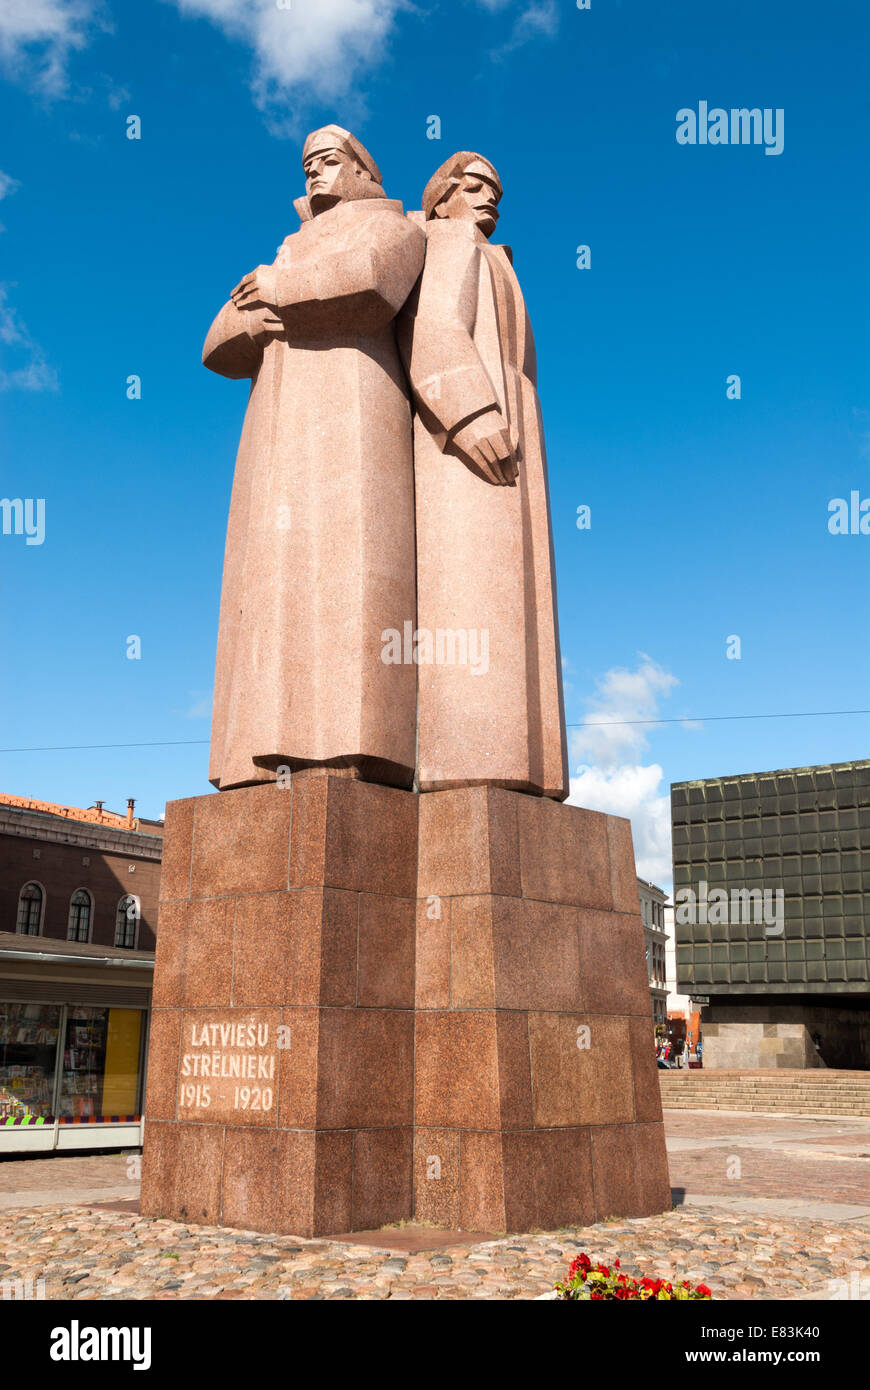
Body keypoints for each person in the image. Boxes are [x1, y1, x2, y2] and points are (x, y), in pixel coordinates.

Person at [203, 126, 426, 791]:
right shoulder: (287, 249)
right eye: (307, 166)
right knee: (271, 585)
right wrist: (255, 320)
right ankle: (258, 751)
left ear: (363, 170)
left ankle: (354, 743)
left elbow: (372, 285)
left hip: (355, 415)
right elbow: (215, 343)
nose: (314, 175)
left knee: (352, 569)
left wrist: (278, 286)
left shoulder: (396, 226)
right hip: (275, 429)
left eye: (328, 161)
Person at [399, 152, 569, 798]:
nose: (490, 197)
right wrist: (470, 415)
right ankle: (473, 763)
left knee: (520, 606)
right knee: (474, 598)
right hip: (470, 441)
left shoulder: (497, 258)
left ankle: (530, 772)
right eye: (475, 185)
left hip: (515, 426)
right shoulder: (449, 239)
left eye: (497, 188)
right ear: (442, 197)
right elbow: (435, 329)